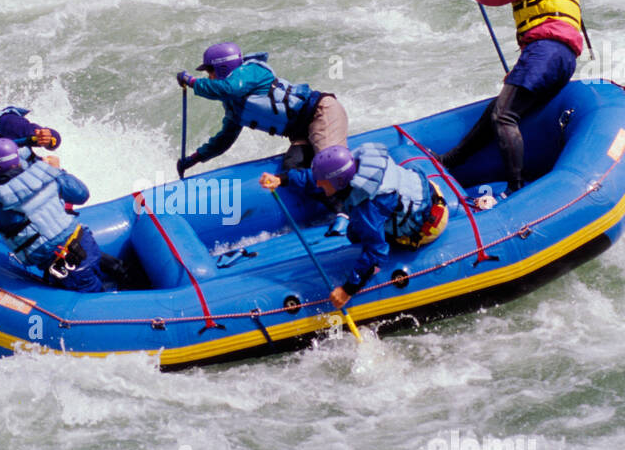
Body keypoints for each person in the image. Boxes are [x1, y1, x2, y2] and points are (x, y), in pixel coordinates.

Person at [438, 0, 587, 193]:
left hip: (545, 53)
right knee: (498, 109)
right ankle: (451, 160)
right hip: (563, 60)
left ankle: (515, 187)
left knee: (504, 115)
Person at [260, 144, 448, 309]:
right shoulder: (353, 169)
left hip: (428, 226)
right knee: (356, 229)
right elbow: (314, 178)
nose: (317, 183)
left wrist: (347, 290)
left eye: (322, 181)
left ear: (338, 182)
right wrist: (282, 179)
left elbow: (376, 252)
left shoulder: (368, 207)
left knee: (357, 232)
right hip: (431, 191)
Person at [0, 138, 108, 292]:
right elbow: (80, 194)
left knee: (94, 299)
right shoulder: (44, 172)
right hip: (86, 242)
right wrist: (58, 171)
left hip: (68, 265)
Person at [173, 42, 349, 178]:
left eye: (210, 72)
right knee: (291, 168)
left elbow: (229, 89)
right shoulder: (235, 107)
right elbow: (223, 140)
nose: (209, 77)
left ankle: (345, 207)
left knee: (329, 168)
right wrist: (194, 159)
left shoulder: (251, 71)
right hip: (302, 134)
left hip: (321, 114)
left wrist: (192, 82)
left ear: (222, 67)